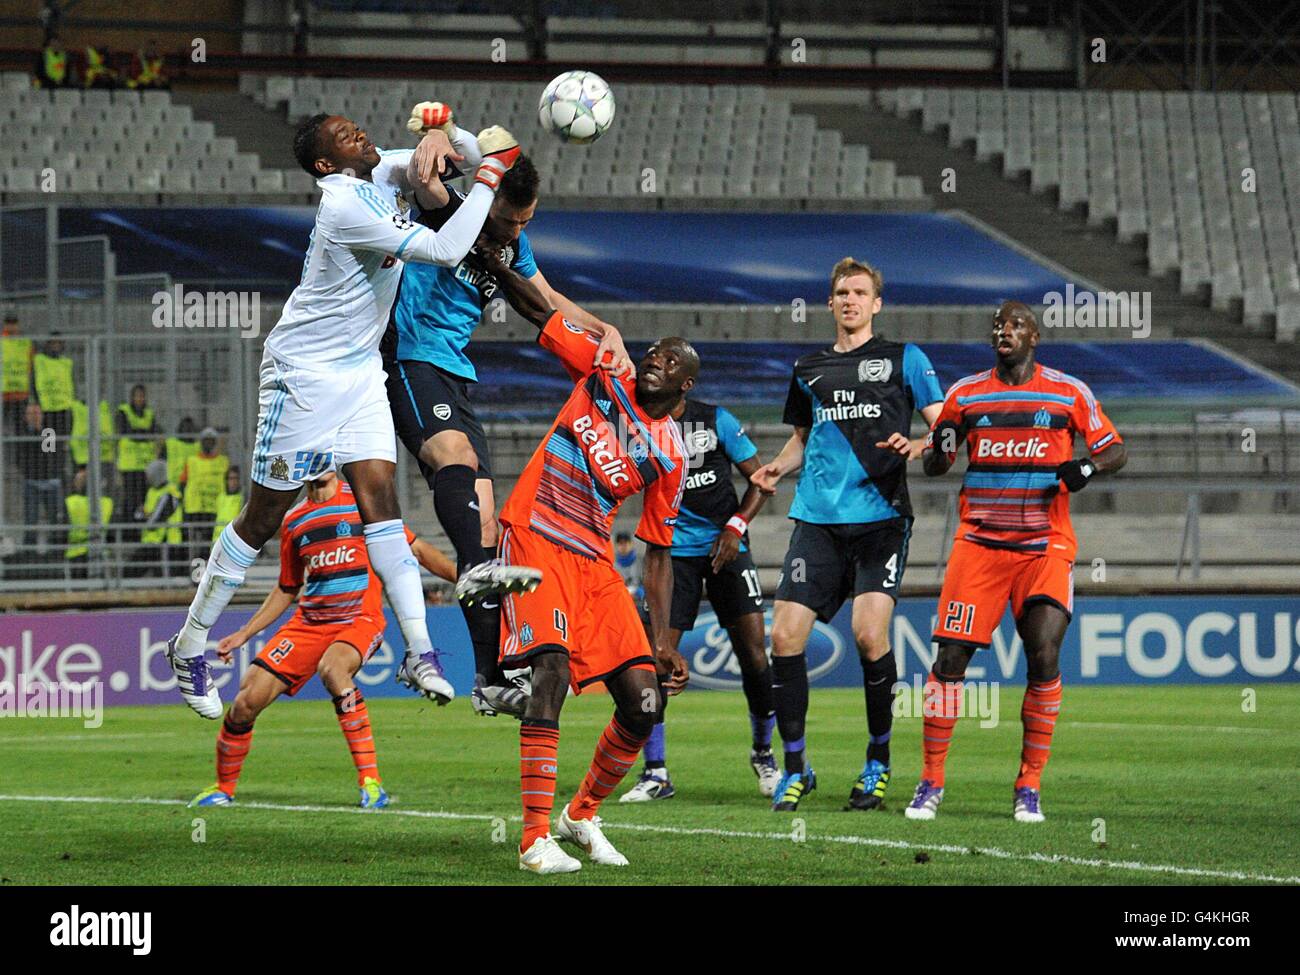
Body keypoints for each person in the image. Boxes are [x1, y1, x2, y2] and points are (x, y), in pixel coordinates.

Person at [165, 109, 532, 720]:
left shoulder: (379, 172)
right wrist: (488, 179)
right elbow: (445, 247)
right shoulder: (343, 205)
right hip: (303, 374)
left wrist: (447, 137)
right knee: (262, 520)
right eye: (343, 137)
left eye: (355, 127)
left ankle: (421, 652)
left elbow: (477, 155)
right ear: (324, 165)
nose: (359, 134)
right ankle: (190, 643)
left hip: (362, 371)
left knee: (381, 506)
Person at [384, 100, 628, 718]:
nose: (517, 231)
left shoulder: (511, 243)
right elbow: (426, 173)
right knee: (453, 457)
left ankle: (489, 677)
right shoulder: (452, 211)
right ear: (489, 202)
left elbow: (546, 298)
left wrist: (606, 332)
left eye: (526, 222)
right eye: (511, 219)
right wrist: (437, 131)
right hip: (411, 356)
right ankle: (471, 587)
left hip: (457, 374)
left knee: (487, 531)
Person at [475, 245, 693, 874]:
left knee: (645, 702)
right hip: (537, 535)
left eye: (670, 361)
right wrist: (492, 264)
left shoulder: (671, 455)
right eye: (654, 352)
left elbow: (658, 550)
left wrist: (662, 638)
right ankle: (533, 839)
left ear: (685, 387)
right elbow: (537, 310)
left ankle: (582, 813)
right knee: (551, 674)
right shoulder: (605, 372)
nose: (654, 360)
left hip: (595, 563)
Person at [905, 300, 1127, 824]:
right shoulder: (965, 395)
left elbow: (1115, 448)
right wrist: (937, 448)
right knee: (949, 663)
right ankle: (931, 780)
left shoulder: (1069, 392)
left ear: (1035, 337)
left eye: (1016, 324)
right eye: (998, 326)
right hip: (978, 545)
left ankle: (1029, 784)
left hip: (1044, 546)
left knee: (1044, 656)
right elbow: (939, 465)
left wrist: (1087, 469)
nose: (1004, 330)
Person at [752, 257, 944, 812]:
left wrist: (922, 446)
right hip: (816, 521)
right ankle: (795, 768)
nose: (850, 300)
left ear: (876, 303)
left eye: (860, 292)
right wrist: (774, 469)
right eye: (841, 293)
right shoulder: (808, 367)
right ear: (830, 302)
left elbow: (944, 423)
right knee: (785, 637)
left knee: (867, 633)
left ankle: (878, 761)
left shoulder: (905, 358)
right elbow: (802, 439)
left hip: (881, 519)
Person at [188, 471, 457, 810]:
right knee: (246, 700)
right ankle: (223, 788)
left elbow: (415, 548)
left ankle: (371, 784)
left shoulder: (364, 505)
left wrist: (463, 578)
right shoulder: (295, 521)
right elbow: (288, 588)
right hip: (309, 623)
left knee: (334, 671)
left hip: (359, 619)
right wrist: (244, 633)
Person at [621, 394, 778, 802]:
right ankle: (656, 772)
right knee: (655, 660)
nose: (653, 370)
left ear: (685, 382)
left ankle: (764, 754)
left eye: (668, 362)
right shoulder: (635, 424)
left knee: (754, 655)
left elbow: (760, 478)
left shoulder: (716, 419)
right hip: (669, 556)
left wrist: (736, 526)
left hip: (727, 549)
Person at [18, 402, 63, 550]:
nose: (34, 417)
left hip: (50, 481)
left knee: (54, 518)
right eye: (31, 414)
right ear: (25, 416)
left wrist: (39, 432)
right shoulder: (22, 432)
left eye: (36, 413)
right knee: (31, 519)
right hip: (32, 481)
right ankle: (29, 551)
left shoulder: (48, 431)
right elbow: (22, 457)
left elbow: (48, 455)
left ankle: (55, 550)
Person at [116, 384, 158, 543]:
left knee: (144, 499)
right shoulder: (124, 410)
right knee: (130, 499)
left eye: (142, 396)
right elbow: (126, 431)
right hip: (129, 465)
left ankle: (140, 530)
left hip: (145, 466)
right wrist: (143, 434)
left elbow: (152, 432)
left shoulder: (149, 413)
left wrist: (139, 433)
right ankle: (129, 533)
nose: (140, 399)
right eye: (137, 396)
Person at [180, 427, 229, 559]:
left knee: (208, 542)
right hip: (194, 508)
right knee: (192, 542)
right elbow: (183, 482)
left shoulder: (223, 461)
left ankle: (204, 568)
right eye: (205, 441)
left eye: (211, 441)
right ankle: (194, 569)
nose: (208, 444)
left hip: (214, 508)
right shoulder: (191, 460)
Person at [130, 458, 182, 577]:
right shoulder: (152, 491)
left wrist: (146, 516)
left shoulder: (170, 493)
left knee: (163, 580)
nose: (147, 478)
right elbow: (138, 515)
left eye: (149, 474)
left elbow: (154, 521)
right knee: (129, 573)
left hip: (167, 544)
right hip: (151, 543)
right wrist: (146, 516)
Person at [64, 465, 112, 579]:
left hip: (76, 552)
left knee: (78, 591)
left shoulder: (69, 502)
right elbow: (112, 532)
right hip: (100, 551)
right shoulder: (107, 502)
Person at [212, 465, 243, 542]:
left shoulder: (242, 498)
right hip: (218, 539)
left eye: (236, 479)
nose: (234, 482)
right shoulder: (220, 497)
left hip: (234, 540)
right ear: (226, 481)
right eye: (231, 479)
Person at [613, 532, 641, 598]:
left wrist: (639, 591)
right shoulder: (612, 563)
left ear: (631, 544)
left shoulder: (640, 561)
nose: (623, 546)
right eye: (620, 543)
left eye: (626, 543)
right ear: (616, 545)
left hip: (638, 599)